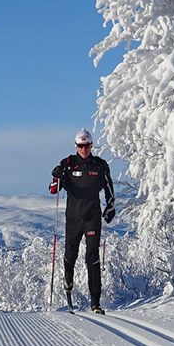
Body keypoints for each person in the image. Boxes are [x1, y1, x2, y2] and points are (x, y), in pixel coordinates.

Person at [50, 129, 115, 314]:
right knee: (71, 254)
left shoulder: (100, 165)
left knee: (92, 258)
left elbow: (109, 188)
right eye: (80, 146)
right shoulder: (68, 164)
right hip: (73, 218)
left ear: (91, 145)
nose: (84, 149)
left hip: (92, 217)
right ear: (76, 146)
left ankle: (95, 303)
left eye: (86, 145)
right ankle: (68, 282)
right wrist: (56, 175)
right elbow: (53, 190)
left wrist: (110, 208)